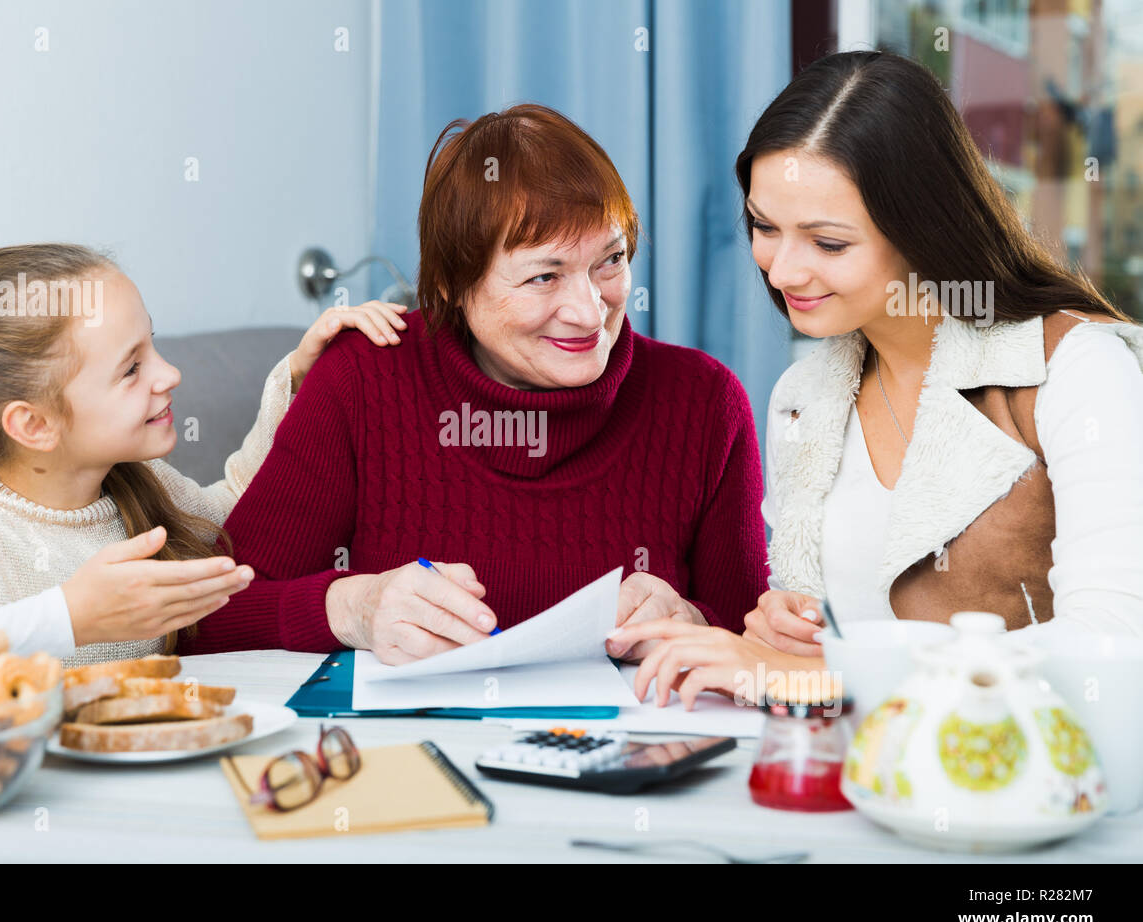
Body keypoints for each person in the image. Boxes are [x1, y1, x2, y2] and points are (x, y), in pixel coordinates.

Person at [607, 51, 1143, 708]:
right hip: (857, 785)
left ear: (922, 228)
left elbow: (1112, 643)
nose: (782, 272)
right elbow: (821, 656)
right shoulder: (802, 400)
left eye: (828, 243)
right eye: (764, 226)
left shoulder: (1078, 370)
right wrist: (778, 642)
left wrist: (828, 676)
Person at [189, 103, 770, 663]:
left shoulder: (705, 402)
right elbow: (205, 621)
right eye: (544, 276)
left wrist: (697, 623)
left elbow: (756, 643)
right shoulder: (363, 378)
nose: (591, 313)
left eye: (610, 262)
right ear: (450, 289)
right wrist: (351, 607)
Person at [0, 242, 405, 664]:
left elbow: (238, 512)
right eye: (131, 369)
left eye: (153, 345)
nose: (170, 375)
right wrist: (70, 617)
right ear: (33, 424)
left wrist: (300, 379)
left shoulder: (137, 482)